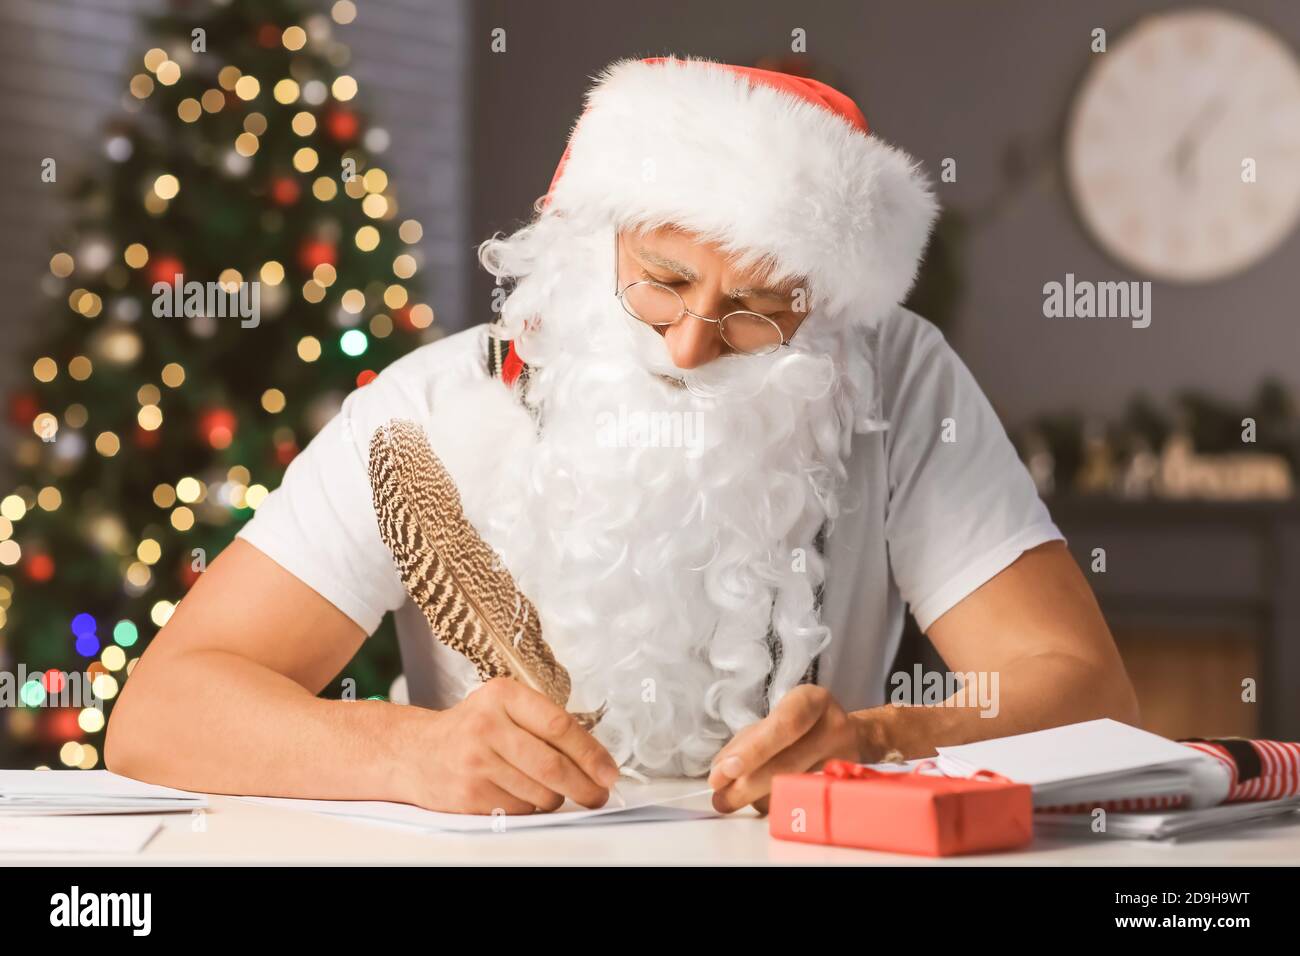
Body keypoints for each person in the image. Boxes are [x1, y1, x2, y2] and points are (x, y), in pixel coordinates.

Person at [106, 56, 1138, 816]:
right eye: (664, 280)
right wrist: (403, 751)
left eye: (759, 306)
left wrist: (882, 740)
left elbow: (1089, 692)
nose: (690, 344)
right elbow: (162, 710)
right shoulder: (425, 410)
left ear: (827, 310)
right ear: (586, 233)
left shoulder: (895, 378)